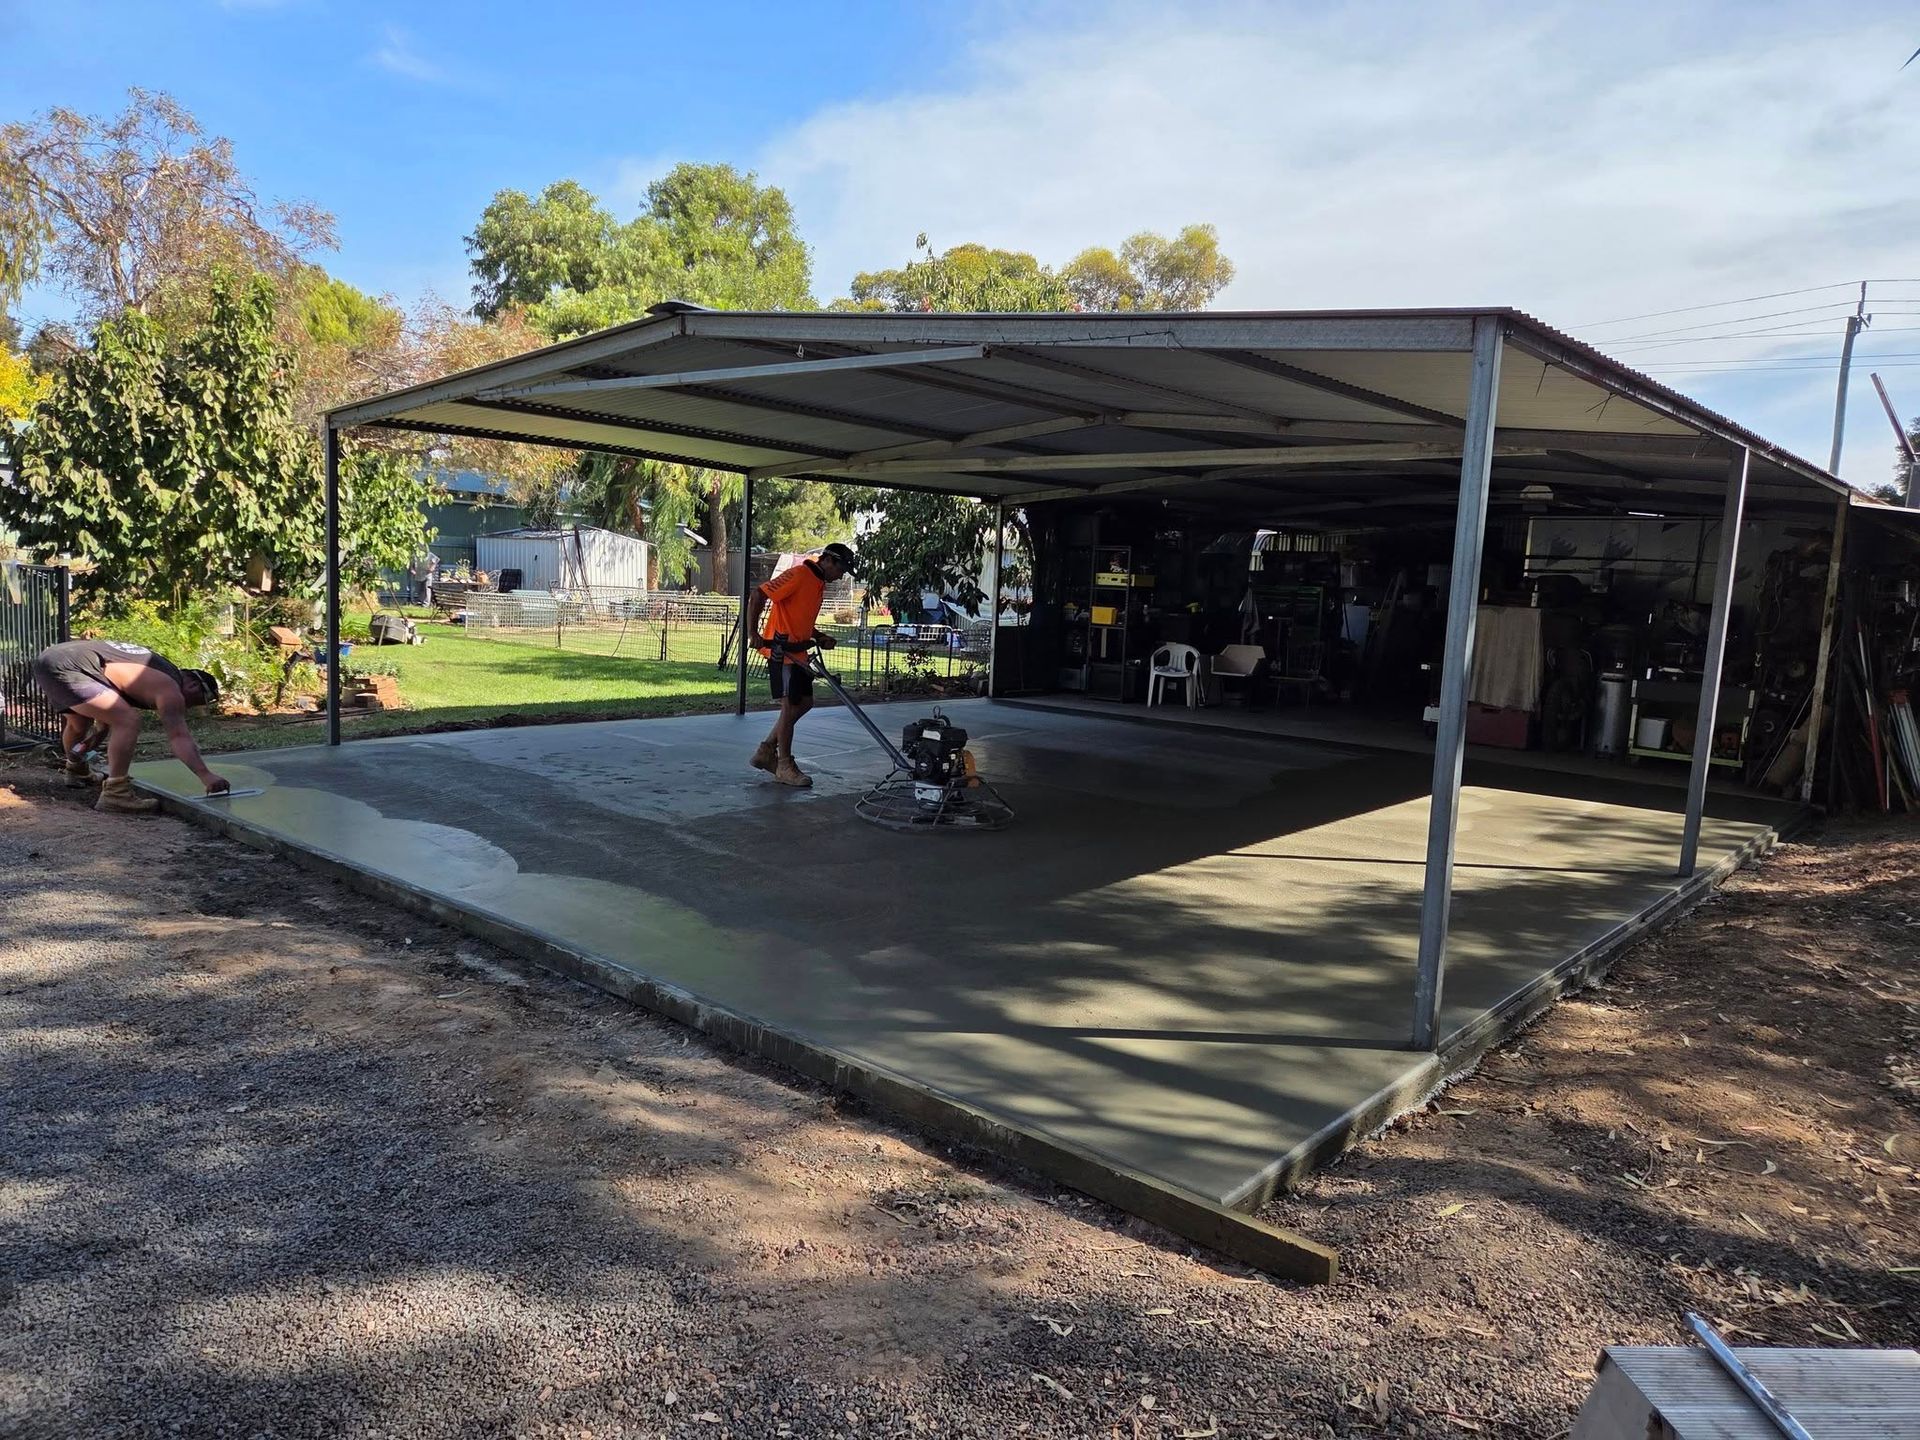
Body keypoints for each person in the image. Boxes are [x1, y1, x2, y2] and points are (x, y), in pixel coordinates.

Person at [33, 639, 229, 814]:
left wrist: (102, 730)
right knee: (127, 720)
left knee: (79, 723)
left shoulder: (156, 670)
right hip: (75, 667)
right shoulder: (171, 688)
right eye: (201, 700)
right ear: (194, 686)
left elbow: (111, 676)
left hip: (53, 658)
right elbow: (178, 736)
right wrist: (206, 775)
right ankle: (116, 793)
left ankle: (77, 771)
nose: (192, 706)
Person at [745, 543, 855, 788]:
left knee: (805, 703)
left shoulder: (817, 584)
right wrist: (753, 633)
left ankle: (765, 751)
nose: (842, 575)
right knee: (789, 705)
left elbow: (799, 619)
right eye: (841, 569)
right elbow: (758, 595)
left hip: (799, 652)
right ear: (828, 560)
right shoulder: (798, 575)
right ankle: (784, 764)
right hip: (781, 652)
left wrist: (818, 635)